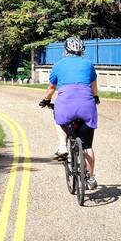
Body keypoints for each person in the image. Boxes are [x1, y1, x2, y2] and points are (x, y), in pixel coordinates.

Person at [38, 36, 99, 191]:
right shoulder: (89, 65)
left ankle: (62, 146)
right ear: (81, 51)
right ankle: (91, 178)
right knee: (88, 146)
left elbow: (52, 88)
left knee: (59, 119)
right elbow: (93, 87)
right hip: (87, 105)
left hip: (66, 105)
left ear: (65, 50)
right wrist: (96, 98)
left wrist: (46, 100)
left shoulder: (58, 65)